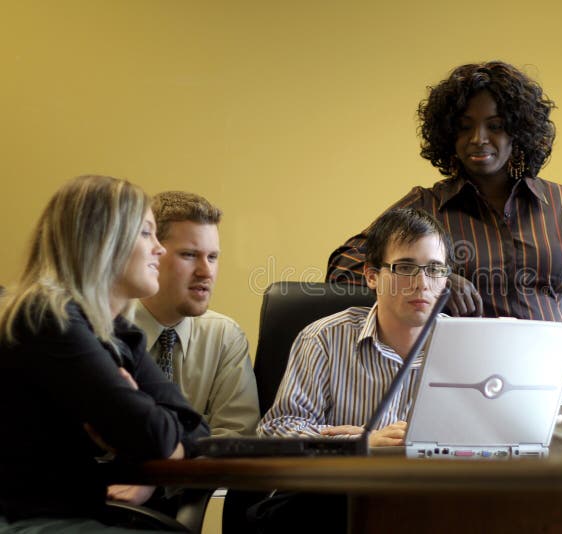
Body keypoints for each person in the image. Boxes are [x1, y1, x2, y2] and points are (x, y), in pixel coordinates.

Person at [327, 61, 562, 448]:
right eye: (464, 126)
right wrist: (435, 277)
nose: (478, 138)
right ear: (447, 135)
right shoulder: (427, 206)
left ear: (519, 130)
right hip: (467, 402)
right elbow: (345, 266)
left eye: (495, 125)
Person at [0, 175, 209, 532]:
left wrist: (142, 413)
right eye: (146, 233)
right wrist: (145, 420)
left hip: (77, 515)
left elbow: (198, 431)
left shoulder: (117, 333)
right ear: (101, 241)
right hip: (26, 520)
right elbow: (152, 434)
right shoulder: (45, 317)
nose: (159, 248)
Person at [261, 207, 452, 444]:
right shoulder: (324, 338)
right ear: (371, 276)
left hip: (435, 481)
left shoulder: (468, 347)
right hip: (350, 481)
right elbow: (277, 429)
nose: (422, 284)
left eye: (434, 269)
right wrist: (361, 442)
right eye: (404, 268)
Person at [133, 191, 259, 437]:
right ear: (151, 253)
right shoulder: (103, 330)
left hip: (201, 476)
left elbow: (236, 439)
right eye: (189, 255)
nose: (206, 271)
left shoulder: (224, 336)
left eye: (212, 257)